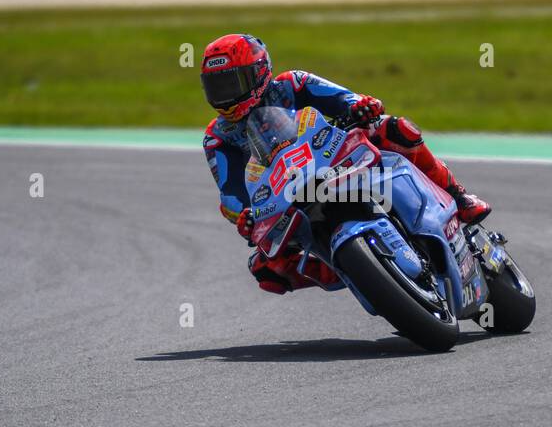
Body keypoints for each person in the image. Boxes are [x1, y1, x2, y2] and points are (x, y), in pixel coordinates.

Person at [200, 33, 491, 294]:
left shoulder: (292, 84)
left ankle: (457, 195)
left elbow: (343, 98)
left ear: (258, 72)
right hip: (284, 195)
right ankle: (351, 271)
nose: (224, 95)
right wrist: (244, 215)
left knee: (396, 128)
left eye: (231, 83)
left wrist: (360, 106)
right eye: (216, 86)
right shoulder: (217, 137)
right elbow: (231, 194)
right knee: (267, 270)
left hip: (332, 155)